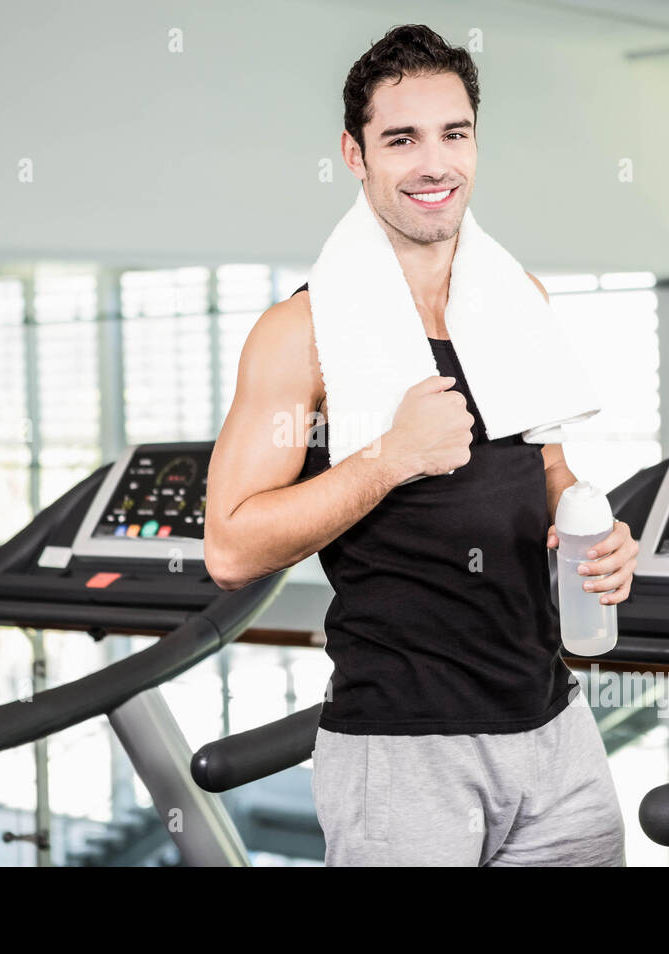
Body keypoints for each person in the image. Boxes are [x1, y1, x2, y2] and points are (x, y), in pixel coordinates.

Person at [205, 23, 637, 866]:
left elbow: (546, 465)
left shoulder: (518, 299)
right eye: (401, 139)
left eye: (455, 134)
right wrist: (390, 455)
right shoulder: (301, 333)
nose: (434, 163)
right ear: (354, 154)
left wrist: (594, 533)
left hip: (556, 728)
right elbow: (229, 545)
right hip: (401, 751)